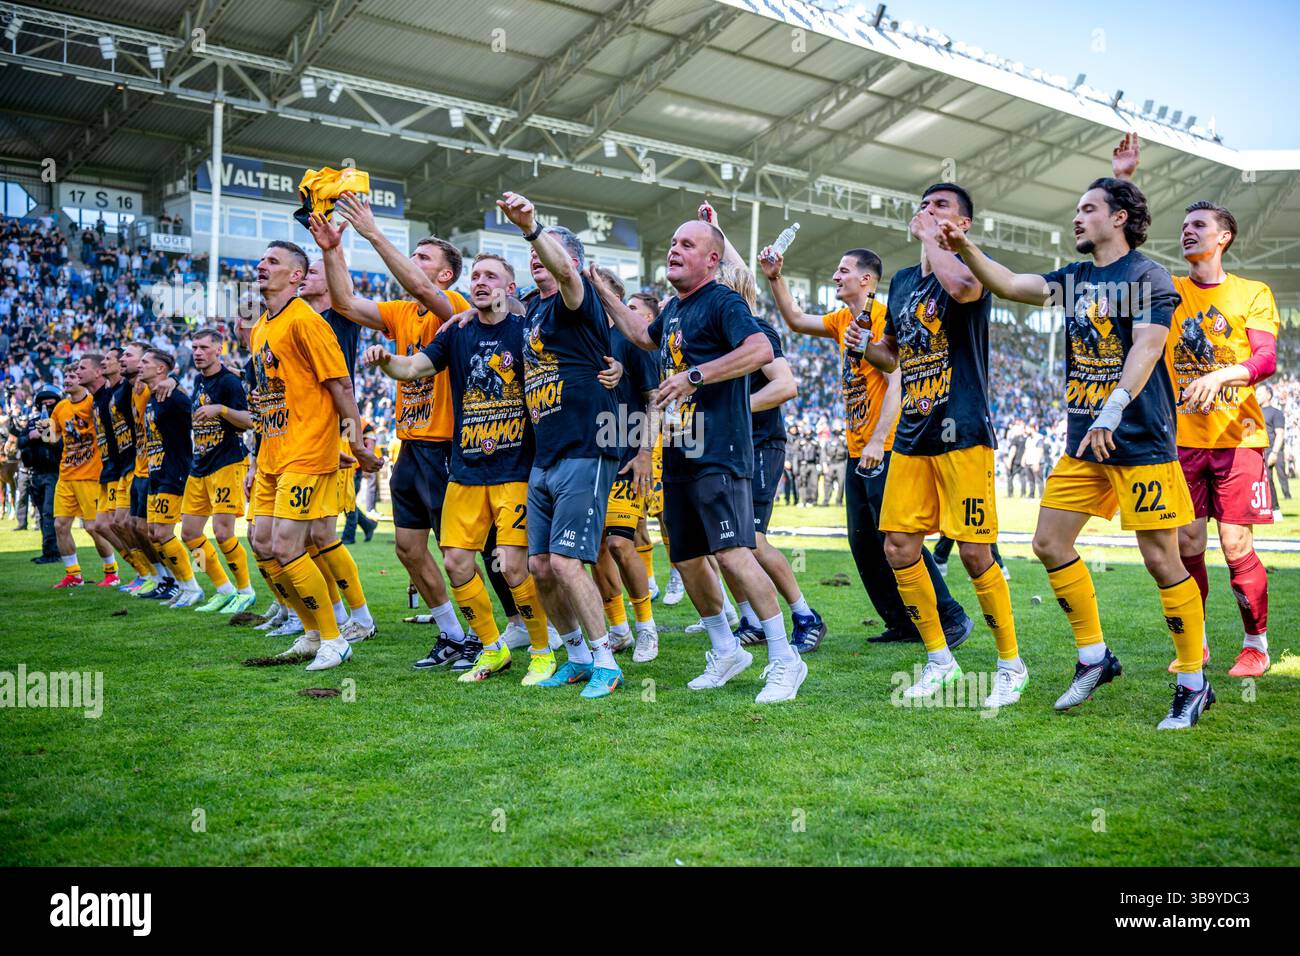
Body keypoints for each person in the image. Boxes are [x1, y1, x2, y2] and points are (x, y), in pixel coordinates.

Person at [941, 175, 1209, 729]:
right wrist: (966, 247)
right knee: (1048, 542)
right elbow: (1013, 284)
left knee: (1163, 560)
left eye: (1088, 209)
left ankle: (1192, 681)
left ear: (1119, 218)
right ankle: (1094, 657)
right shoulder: (1076, 278)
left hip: (1139, 441)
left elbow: (1148, 346)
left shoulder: (1148, 275)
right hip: (1086, 443)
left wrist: (1113, 407)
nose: (1077, 217)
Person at [308, 196, 522, 666]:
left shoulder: (458, 306)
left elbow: (423, 291)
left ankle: (499, 629)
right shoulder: (401, 313)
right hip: (411, 445)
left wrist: (373, 233)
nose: (414, 264)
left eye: (423, 258)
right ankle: (452, 633)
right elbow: (344, 302)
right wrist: (330, 249)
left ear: (446, 274)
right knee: (407, 548)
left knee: (465, 551)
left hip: (450, 447)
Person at [609, 217, 808, 703]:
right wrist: (600, 291)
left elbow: (760, 347)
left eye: (687, 244)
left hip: (721, 450)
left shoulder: (722, 300)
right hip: (680, 449)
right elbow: (642, 336)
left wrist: (696, 375)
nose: (674, 249)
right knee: (687, 557)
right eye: (673, 242)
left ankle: (786, 658)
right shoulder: (675, 309)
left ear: (712, 259)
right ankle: (725, 650)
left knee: (733, 553)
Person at [1112, 134, 1281, 678]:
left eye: (1199, 226)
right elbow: (1124, 253)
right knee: (1187, 541)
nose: (1188, 232)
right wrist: (1126, 181)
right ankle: (1198, 641)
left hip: (1240, 439)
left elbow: (1264, 359)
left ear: (1224, 237)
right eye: (1184, 227)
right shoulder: (1171, 288)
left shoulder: (1252, 292)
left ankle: (1255, 642)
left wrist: (1218, 376)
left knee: (1235, 544)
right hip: (1180, 440)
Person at [762, 245, 972, 648]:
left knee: (897, 537)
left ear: (866, 279)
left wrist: (878, 439)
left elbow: (898, 379)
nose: (835, 277)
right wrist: (775, 278)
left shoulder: (882, 317)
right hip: (857, 449)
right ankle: (903, 621)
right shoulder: (844, 319)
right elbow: (794, 319)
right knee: (864, 542)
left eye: (843, 271)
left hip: (885, 446)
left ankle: (951, 616)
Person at [860, 183, 1022, 707]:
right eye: (923, 206)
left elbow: (961, 291)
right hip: (913, 433)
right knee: (898, 546)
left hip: (963, 429)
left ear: (964, 224)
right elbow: (895, 358)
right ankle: (938, 659)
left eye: (941, 207)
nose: (926, 212)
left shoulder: (972, 265)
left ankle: (1009, 664)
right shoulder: (904, 281)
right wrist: (866, 343)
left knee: (975, 552)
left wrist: (935, 241)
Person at [366, 253, 559, 686]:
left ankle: (543, 651)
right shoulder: (455, 332)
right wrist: (386, 362)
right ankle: (492, 649)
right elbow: (413, 367)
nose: (481, 281)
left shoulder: (527, 331)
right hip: (467, 469)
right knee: (456, 562)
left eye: (492, 276)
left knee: (512, 566)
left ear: (511, 288)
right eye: (476, 276)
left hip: (515, 468)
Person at [496, 191, 625, 699]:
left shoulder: (578, 300)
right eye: (532, 257)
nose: (536, 262)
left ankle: (607, 662)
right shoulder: (532, 311)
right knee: (540, 565)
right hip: (545, 456)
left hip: (584, 448)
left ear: (569, 261)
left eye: (543, 255)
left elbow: (570, 278)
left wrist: (531, 227)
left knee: (570, 562)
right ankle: (573, 656)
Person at [245, 239, 380, 671]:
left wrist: (355, 442)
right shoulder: (261, 327)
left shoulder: (307, 321)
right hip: (272, 451)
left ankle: (334, 637)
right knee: (263, 542)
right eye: (262, 259)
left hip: (307, 450)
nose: (262, 265)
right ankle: (310, 631)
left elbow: (341, 385)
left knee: (290, 544)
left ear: (297, 275)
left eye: (273, 261)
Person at [585, 267, 661, 664]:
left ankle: (646, 627)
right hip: (588, 456)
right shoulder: (584, 335)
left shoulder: (632, 340)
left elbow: (653, 399)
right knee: (595, 548)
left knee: (619, 541)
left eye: (599, 292)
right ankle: (618, 630)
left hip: (627, 453)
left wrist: (646, 452)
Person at [178, 328, 258, 614]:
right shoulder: (199, 380)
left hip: (227, 463)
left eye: (203, 347)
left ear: (218, 349)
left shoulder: (229, 383)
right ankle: (222, 588)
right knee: (189, 533)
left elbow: (251, 421)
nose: (197, 353)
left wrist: (221, 410)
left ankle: (245, 590)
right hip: (200, 464)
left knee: (223, 533)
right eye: (195, 347)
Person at [139, 347, 205, 607]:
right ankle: (183, 584)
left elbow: (197, 423)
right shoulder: (153, 396)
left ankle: (193, 586)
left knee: (166, 533)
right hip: (156, 472)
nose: (141, 365)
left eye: (146, 362)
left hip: (174, 472)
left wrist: (176, 381)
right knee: (154, 533)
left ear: (160, 369)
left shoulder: (175, 398)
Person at [46, 363, 114, 588]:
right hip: (66, 475)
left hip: (91, 476)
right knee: (60, 525)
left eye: (73, 376)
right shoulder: (60, 408)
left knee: (93, 527)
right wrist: (43, 427)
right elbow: (53, 439)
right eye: (65, 376)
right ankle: (74, 575)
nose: (67, 380)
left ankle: (111, 573)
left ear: (82, 380)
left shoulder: (93, 403)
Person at [16, 385, 61, 562]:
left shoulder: (61, 422)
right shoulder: (33, 422)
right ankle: (48, 551)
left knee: (50, 513)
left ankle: (53, 553)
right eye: (43, 404)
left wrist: (48, 436)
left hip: (53, 473)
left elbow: (62, 446)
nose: (46, 407)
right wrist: (30, 436)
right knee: (42, 514)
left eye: (50, 404)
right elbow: (20, 442)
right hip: (35, 473)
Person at [1259, 383, 1287, 519]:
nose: (1257, 395)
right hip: (1258, 451)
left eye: (1260, 393)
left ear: (1268, 395)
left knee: (1269, 479)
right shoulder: (1255, 411)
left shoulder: (1276, 413)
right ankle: (1260, 510)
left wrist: (1275, 453)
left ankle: (1275, 510)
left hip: (1270, 451)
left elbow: (1280, 434)